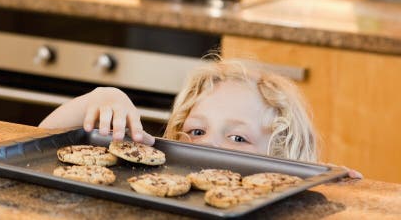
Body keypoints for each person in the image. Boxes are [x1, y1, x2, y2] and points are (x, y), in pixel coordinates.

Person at [40, 59, 362, 177]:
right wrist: (100, 97)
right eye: (196, 130)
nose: (209, 145)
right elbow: (40, 142)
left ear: (281, 160)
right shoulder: (157, 181)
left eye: (238, 138)